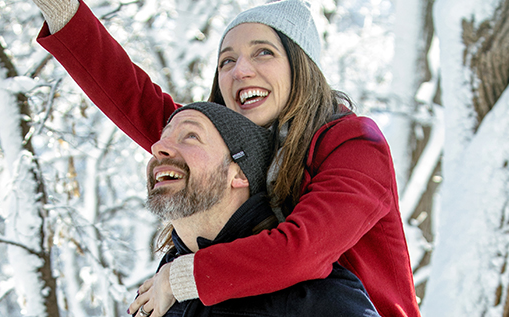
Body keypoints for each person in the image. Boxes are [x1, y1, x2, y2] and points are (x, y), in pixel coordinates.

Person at [33, 1, 422, 316]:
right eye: (226, 61)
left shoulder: (352, 142)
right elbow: (135, 100)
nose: (241, 70)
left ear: (301, 67)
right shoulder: (232, 148)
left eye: (263, 53)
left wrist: (181, 279)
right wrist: (64, 13)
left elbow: (303, 249)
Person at [142, 101, 379, 317]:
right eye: (164, 137)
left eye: (191, 136)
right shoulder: (158, 292)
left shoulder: (310, 297)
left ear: (239, 174)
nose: (157, 147)